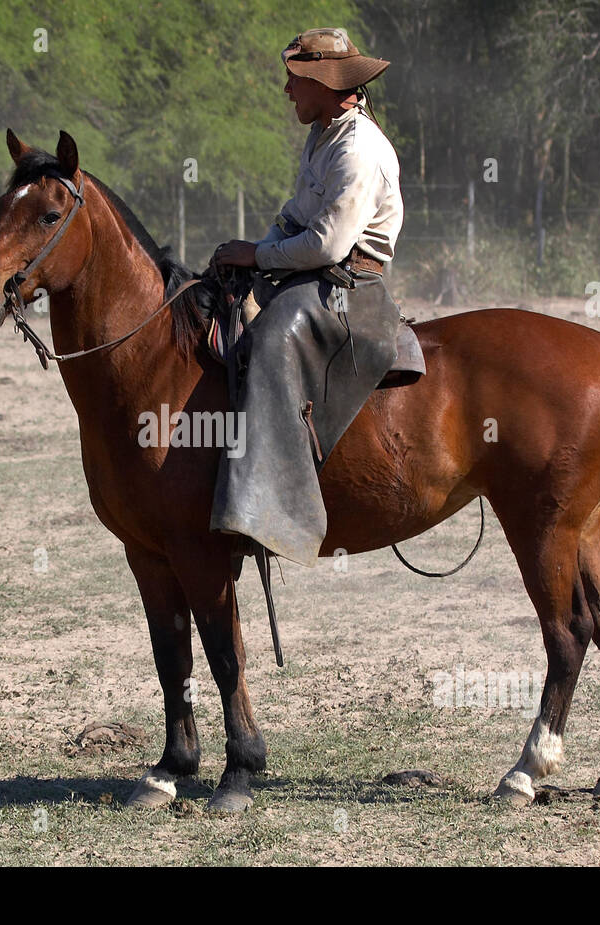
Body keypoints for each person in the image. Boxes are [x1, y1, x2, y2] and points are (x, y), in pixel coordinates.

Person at [209, 27, 405, 567]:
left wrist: (258, 256)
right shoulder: (322, 135)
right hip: (316, 276)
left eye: (294, 80)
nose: (287, 91)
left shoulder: (360, 148)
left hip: (346, 289)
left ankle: (271, 508)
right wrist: (250, 253)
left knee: (271, 339)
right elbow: (297, 218)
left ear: (323, 82)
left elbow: (328, 243)